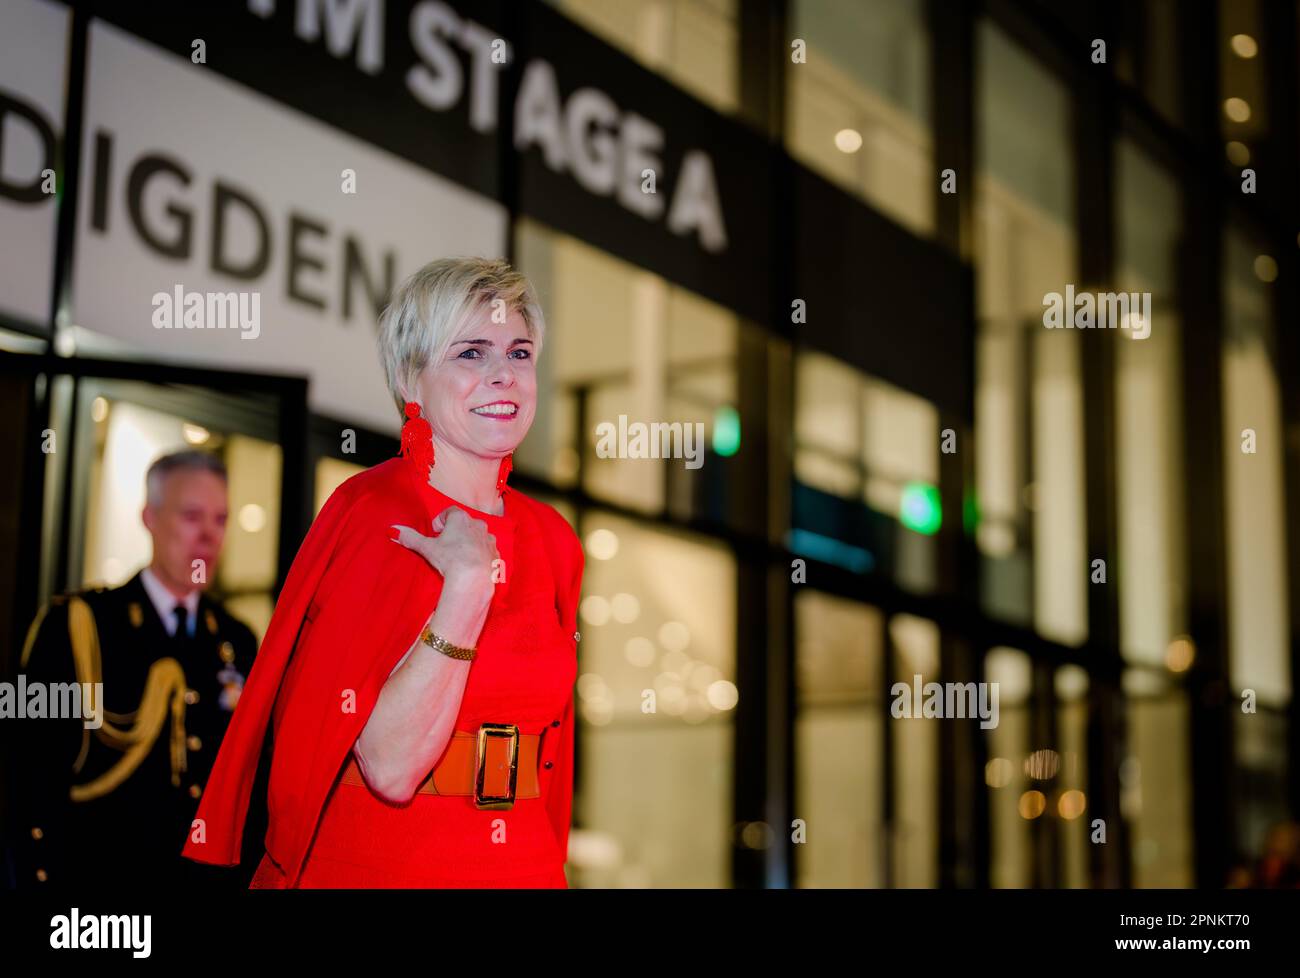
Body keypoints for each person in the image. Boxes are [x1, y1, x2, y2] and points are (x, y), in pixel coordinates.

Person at [182, 256, 585, 888]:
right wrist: (467, 589)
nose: (504, 375)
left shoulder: (553, 539)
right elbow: (390, 766)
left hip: (525, 863)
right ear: (410, 378)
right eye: (471, 353)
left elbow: (555, 755)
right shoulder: (375, 511)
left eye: (520, 352)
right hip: (389, 862)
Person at [7, 450, 265, 889]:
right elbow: (29, 772)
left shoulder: (236, 640)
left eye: (220, 520)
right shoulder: (80, 625)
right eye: (191, 516)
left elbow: (249, 788)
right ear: (150, 517)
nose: (208, 537)